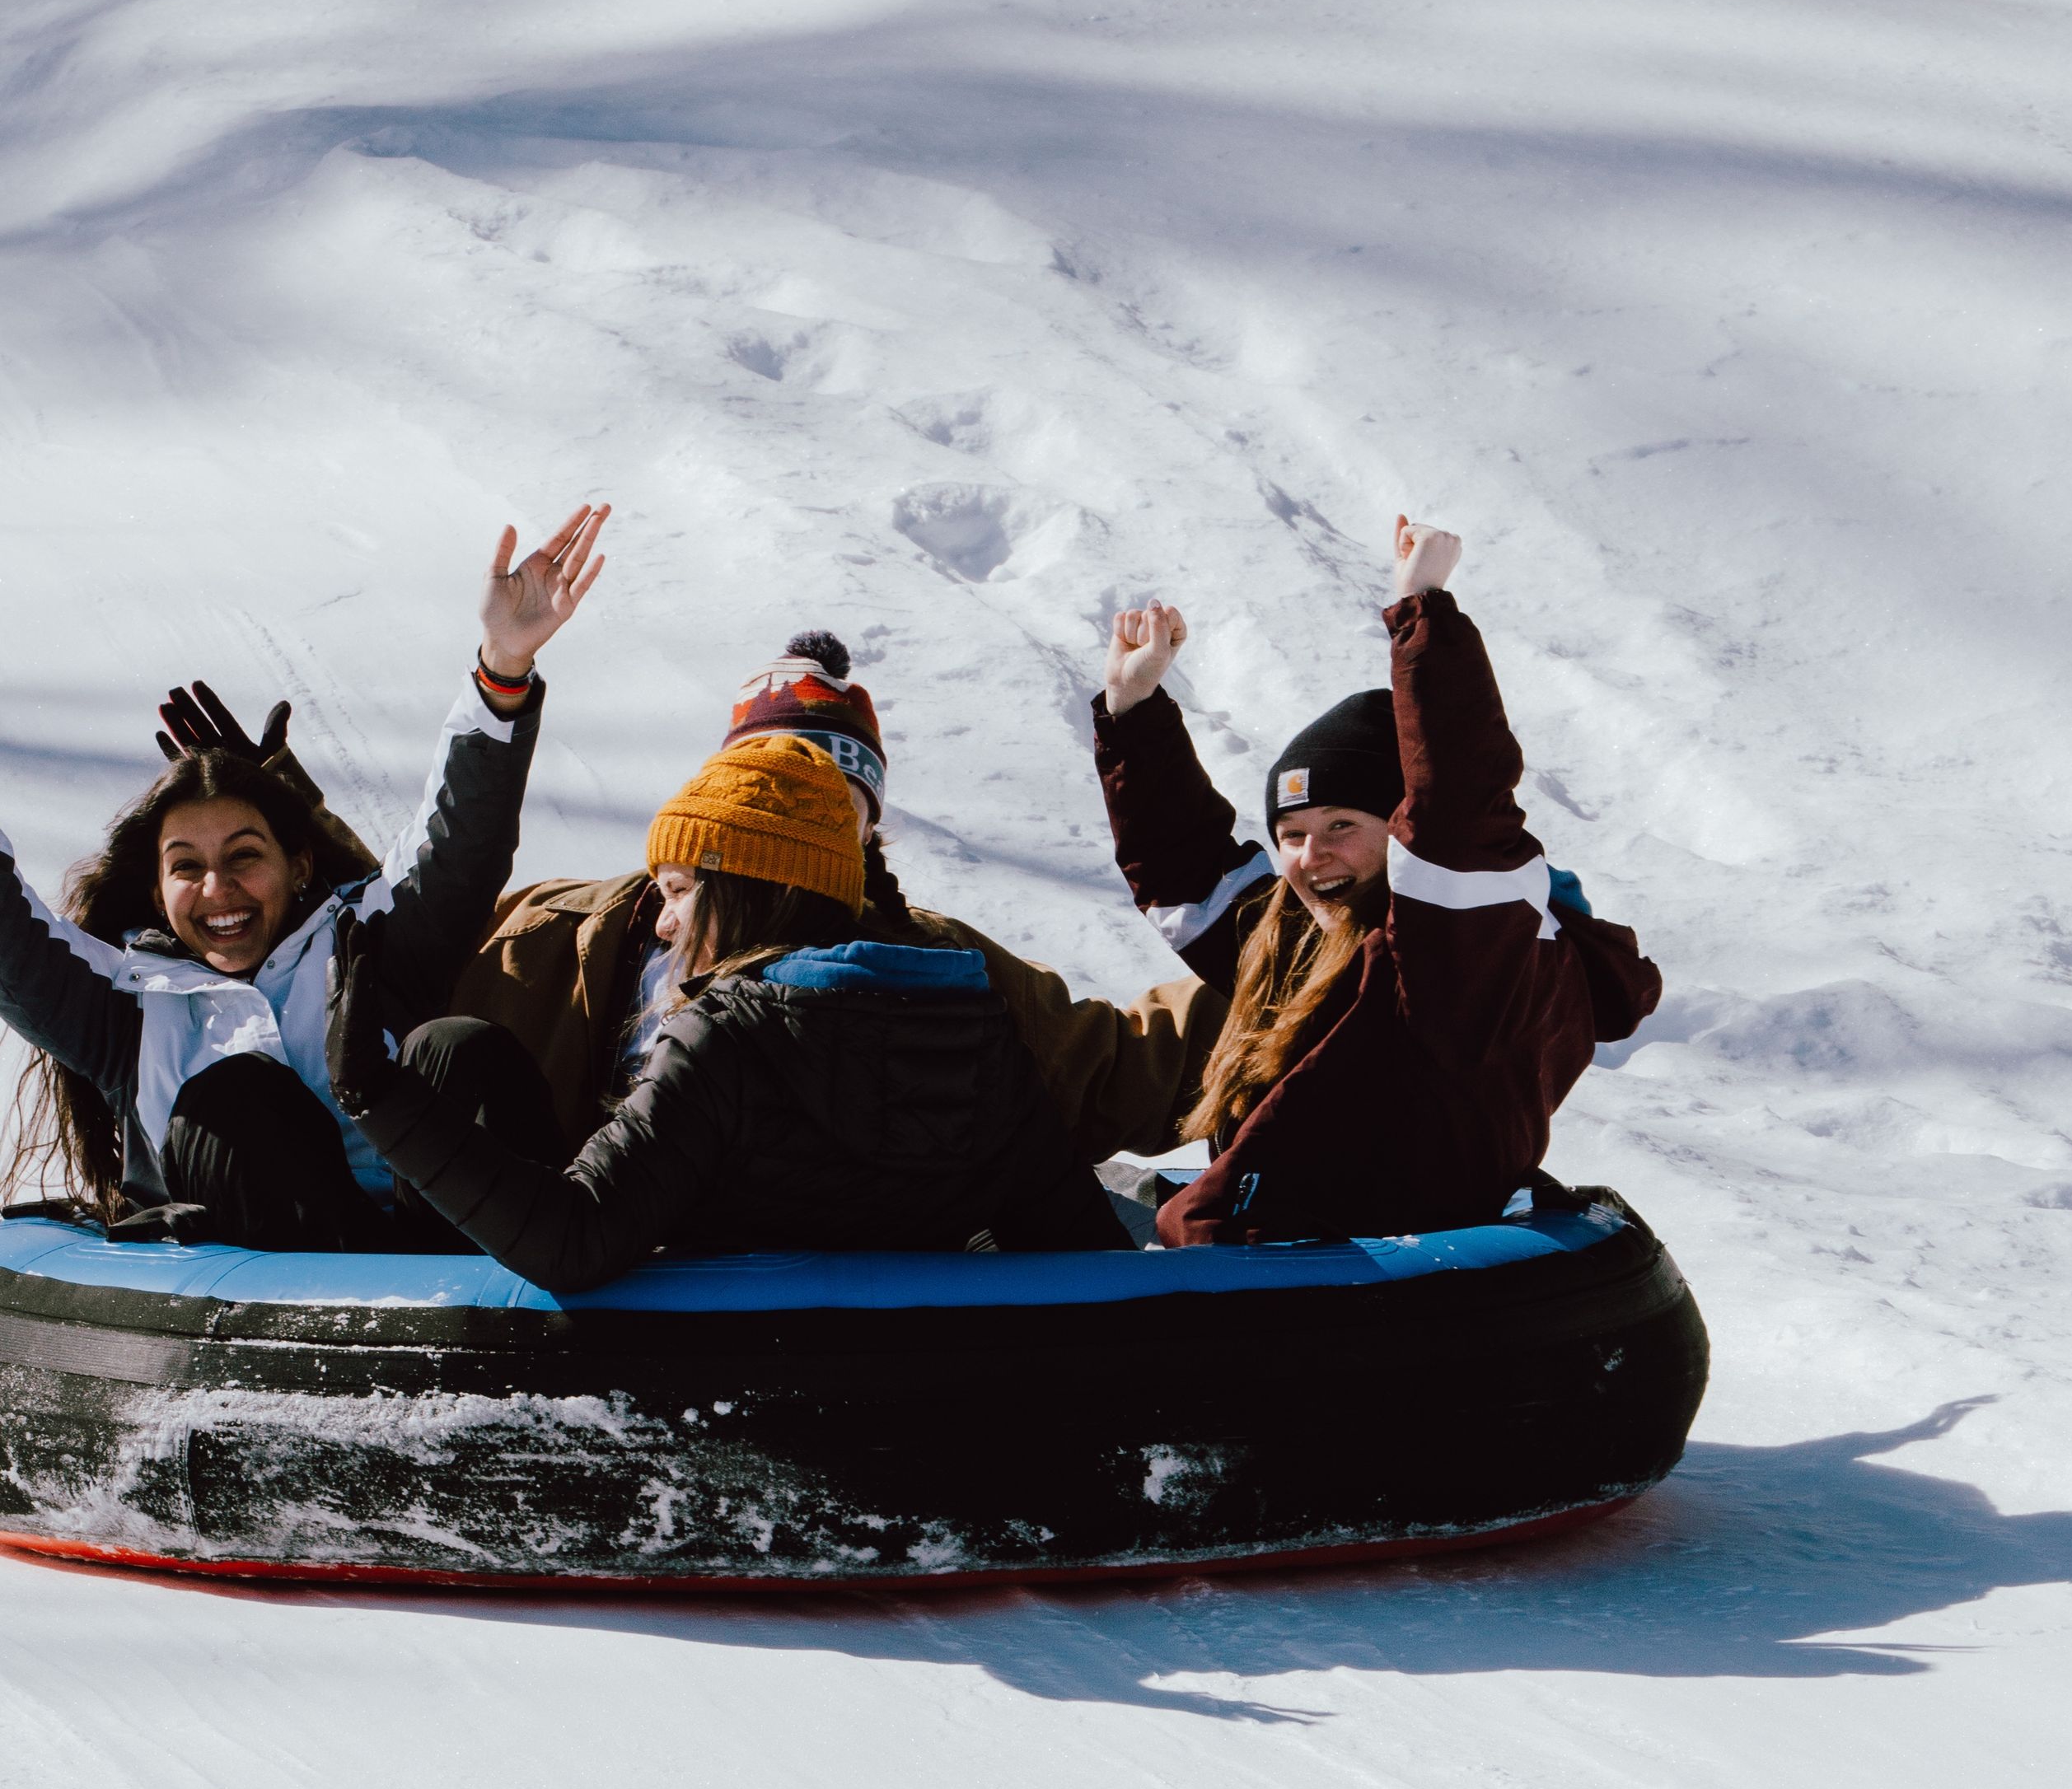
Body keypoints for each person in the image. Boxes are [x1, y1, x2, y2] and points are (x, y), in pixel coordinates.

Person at [161, 632, 1227, 1163]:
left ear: (869, 823)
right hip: (574, 1273)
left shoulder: (932, 969)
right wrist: (277, 852)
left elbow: (1123, 1069)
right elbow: (385, 953)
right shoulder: (566, 936)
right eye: (764, 787)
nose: (790, 826)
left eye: (830, 799)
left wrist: (1336, 967)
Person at [1, 505, 610, 1246]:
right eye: (186, 867)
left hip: (438, 1261)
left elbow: (462, 845)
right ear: (158, 891)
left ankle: (542, 1286)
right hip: (271, 1305)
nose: (217, 888)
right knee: (232, 1096)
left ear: (299, 866)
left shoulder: (367, 943)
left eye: (245, 856)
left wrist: (502, 666)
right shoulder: (122, 1005)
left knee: (457, 1048)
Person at [326, 734, 1129, 1292]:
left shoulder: (727, 1037)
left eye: (677, 890)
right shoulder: (977, 1028)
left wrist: (376, 1095)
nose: (663, 923)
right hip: (922, 1406)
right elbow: (1078, 1247)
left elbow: (575, 1241)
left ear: (747, 890)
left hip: (720, 1409)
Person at [1090, 516, 1663, 1245]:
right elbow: (1182, 865)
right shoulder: (1302, 942)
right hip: (1266, 1245)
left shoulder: (1460, 952)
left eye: (1340, 826)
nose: (1310, 855)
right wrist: (1133, 713)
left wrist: (1423, 610)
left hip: (1374, 1277)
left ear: (1401, 832)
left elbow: (1458, 808)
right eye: (1291, 836)